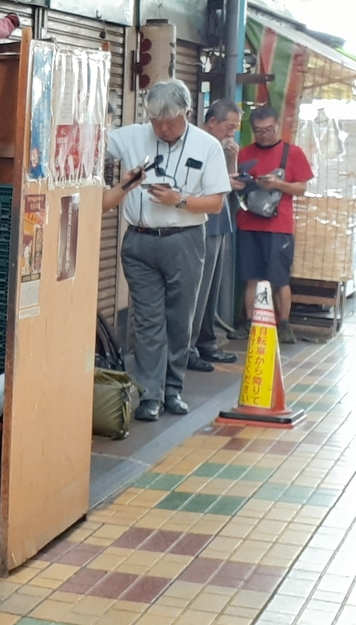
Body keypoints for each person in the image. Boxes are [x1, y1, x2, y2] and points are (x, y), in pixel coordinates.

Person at [102, 80, 230, 422]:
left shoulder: (208, 146)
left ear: (186, 114)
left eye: (170, 123)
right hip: (139, 240)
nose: (162, 128)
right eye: (156, 122)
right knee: (147, 321)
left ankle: (173, 389)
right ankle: (149, 395)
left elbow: (216, 203)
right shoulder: (130, 136)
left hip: (185, 239)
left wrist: (180, 200)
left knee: (179, 318)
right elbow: (89, 143)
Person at [235, 104, 313, 343]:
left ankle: (285, 324)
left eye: (268, 129)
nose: (264, 134)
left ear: (277, 125)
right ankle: (249, 322)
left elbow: (301, 187)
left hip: (278, 226)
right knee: (251, 277)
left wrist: (278, 185)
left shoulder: (293, 153)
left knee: (280, 278)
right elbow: (235, 184)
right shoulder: (244, 154)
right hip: (249, 222)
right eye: (258, 130)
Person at [186, 99, 242, 372]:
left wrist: (233, 159)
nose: (231, 133)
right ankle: (188, 347)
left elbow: (230, 182)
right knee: (197, 289)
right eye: (229, 127)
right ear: (212, 122)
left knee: (211, 290)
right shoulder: (196, 145)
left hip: (220, 222)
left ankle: (206, 341)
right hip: (202, 223)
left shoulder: (220, 148)